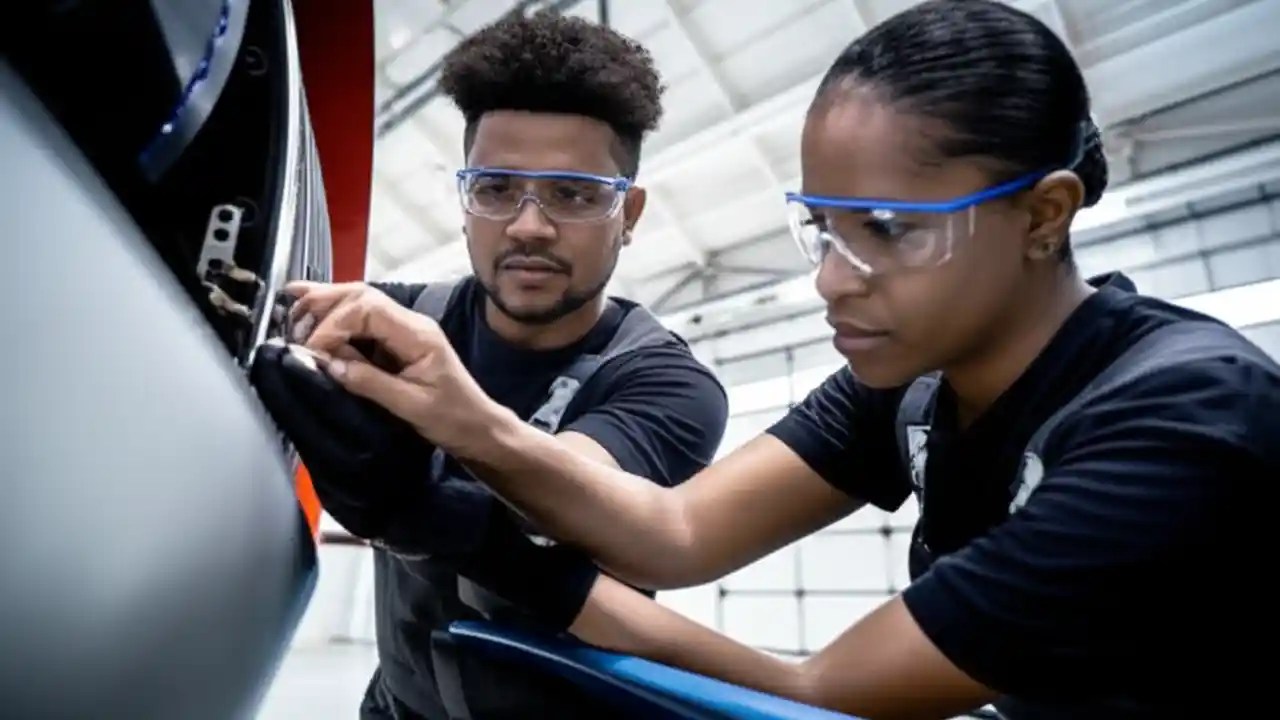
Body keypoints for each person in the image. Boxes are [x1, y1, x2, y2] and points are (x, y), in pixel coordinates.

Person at [283, 1, 1279, 718]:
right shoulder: (911, 386)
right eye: (823, 232)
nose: (831, 282)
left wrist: (459, 522)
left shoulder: (1176, 420)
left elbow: (827, 694)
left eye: (886, 230)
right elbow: (672, 536)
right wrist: (468, 434)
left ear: (1042, 214)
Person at [251, 11, 729, 720]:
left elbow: (565, 496)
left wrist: (423, 490)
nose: (529, 224)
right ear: (465, 199)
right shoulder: (384, 323)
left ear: (628, 213)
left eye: (573, 195)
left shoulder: (666, 384)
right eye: (498, 188)